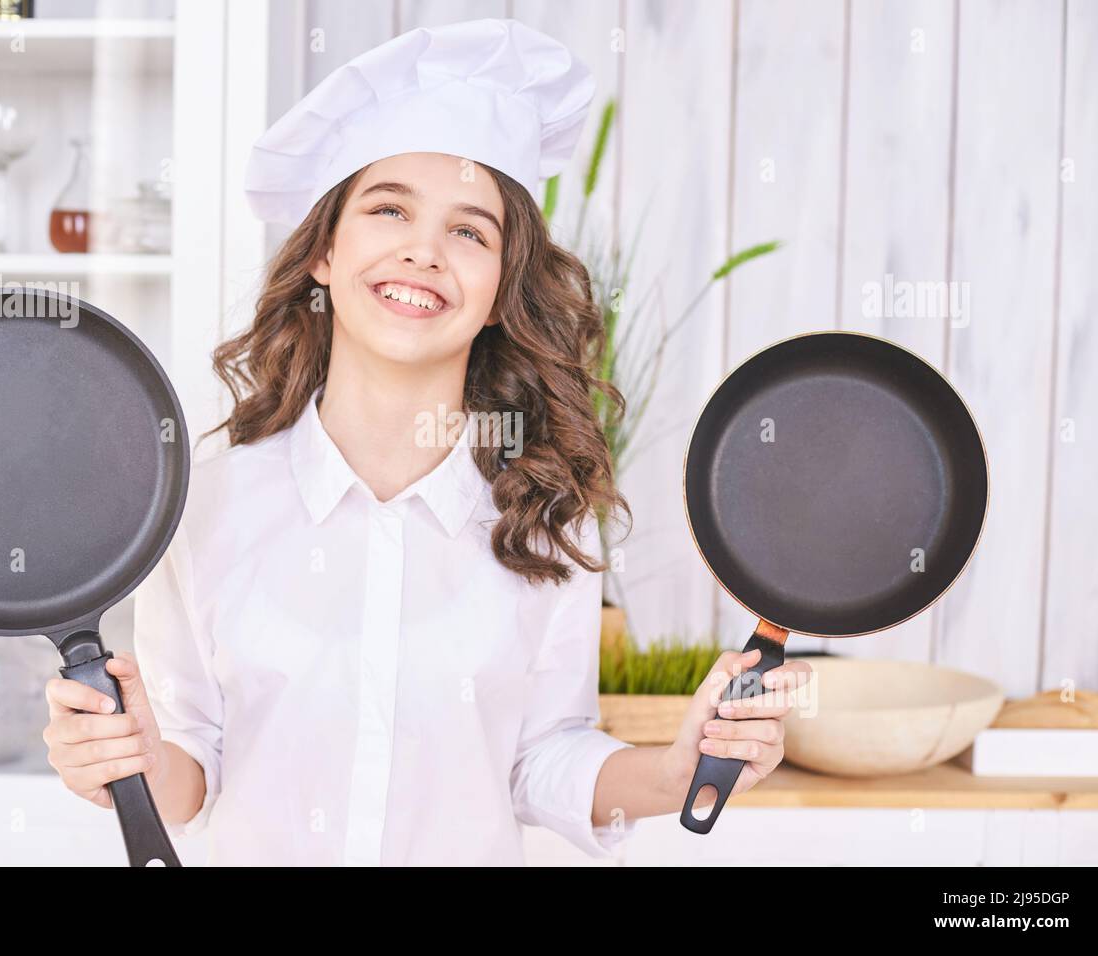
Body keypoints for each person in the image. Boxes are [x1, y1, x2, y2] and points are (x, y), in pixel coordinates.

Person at [42, 17, 812, 866]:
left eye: (470, 231)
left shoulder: (544, 514)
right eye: (388, 209)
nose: (422, 252)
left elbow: (542, 755)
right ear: (324, 253)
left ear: (499, 291)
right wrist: (131, 758)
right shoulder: (204, 504)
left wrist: (677, 773)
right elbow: (196, 770)